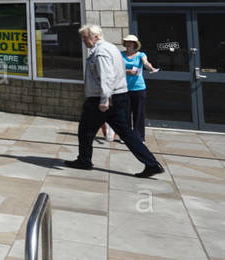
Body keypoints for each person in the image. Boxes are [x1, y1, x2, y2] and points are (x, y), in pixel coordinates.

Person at [67, 25, 164, 178]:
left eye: (85, 37)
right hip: (119, 96)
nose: (83, 41)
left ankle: (84, 161)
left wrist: (105, 99)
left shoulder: (101, 52)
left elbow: (107, 76)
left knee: (85, 130)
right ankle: (152, 164)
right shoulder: (111, 48)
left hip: (104, 98)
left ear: (96, 36)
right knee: (126, 133)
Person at [121, 33, 158, 141]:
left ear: (135, 44)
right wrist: (128, 71)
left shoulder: (141, 55)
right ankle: (126, 136)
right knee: (125, 113)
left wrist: (151, 68)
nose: (128, 44)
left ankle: (138, 137)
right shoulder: (120, 54)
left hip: (138, 89)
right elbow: (115, 68)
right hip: (124, 88)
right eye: (126, 42)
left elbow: (146, 63)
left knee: (139, 114)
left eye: (130, 42)